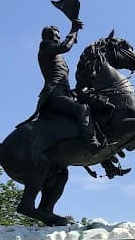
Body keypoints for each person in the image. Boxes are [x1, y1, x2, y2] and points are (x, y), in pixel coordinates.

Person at [36, 20, 106, 148]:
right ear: (49, 36)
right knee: (82, 109)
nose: (58, 37)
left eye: (58, 35)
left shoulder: (54, 54)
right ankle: (92, 143)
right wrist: (74, 29)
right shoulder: (46, 49)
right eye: (56, 35)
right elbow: (65, 47)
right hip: (54, 95)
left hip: (64, 93)